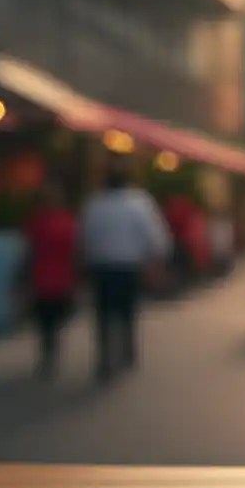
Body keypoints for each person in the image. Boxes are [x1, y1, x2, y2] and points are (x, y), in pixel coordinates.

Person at [80, 159, 171, 381]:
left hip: (102, 267)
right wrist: (158, 258)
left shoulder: (94, 204)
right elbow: (155, 235)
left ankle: (105, 356)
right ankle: (127, 351)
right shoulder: (139, 203)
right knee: (127, 311)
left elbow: (85, 236)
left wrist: (86, 260)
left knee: (103, 313)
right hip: (128, 266)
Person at [23, 183, 78, 378]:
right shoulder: (68, 222)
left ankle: (48, 352)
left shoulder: (36, 223)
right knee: (56, 317)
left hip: (42, 279)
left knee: (45, 320)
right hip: (62, 279)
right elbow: (75, 251)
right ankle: (52, 349)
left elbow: (29, 250)